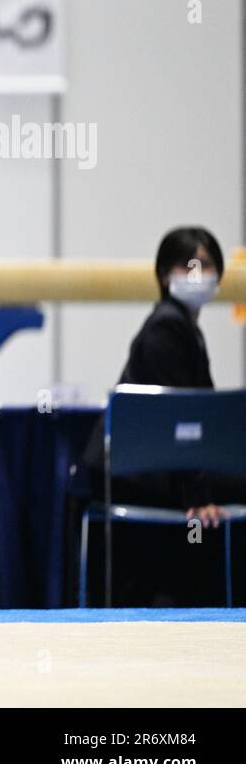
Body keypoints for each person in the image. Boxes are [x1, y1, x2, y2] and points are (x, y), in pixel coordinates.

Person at [80, 226, 245, 604]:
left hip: (158, 470)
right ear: (164, 273)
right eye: (190, 265)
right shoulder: (166, 329)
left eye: (207, 266)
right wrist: (198, 496)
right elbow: (181, 425)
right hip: (142, 475)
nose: (199, 275)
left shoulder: (185, 329)